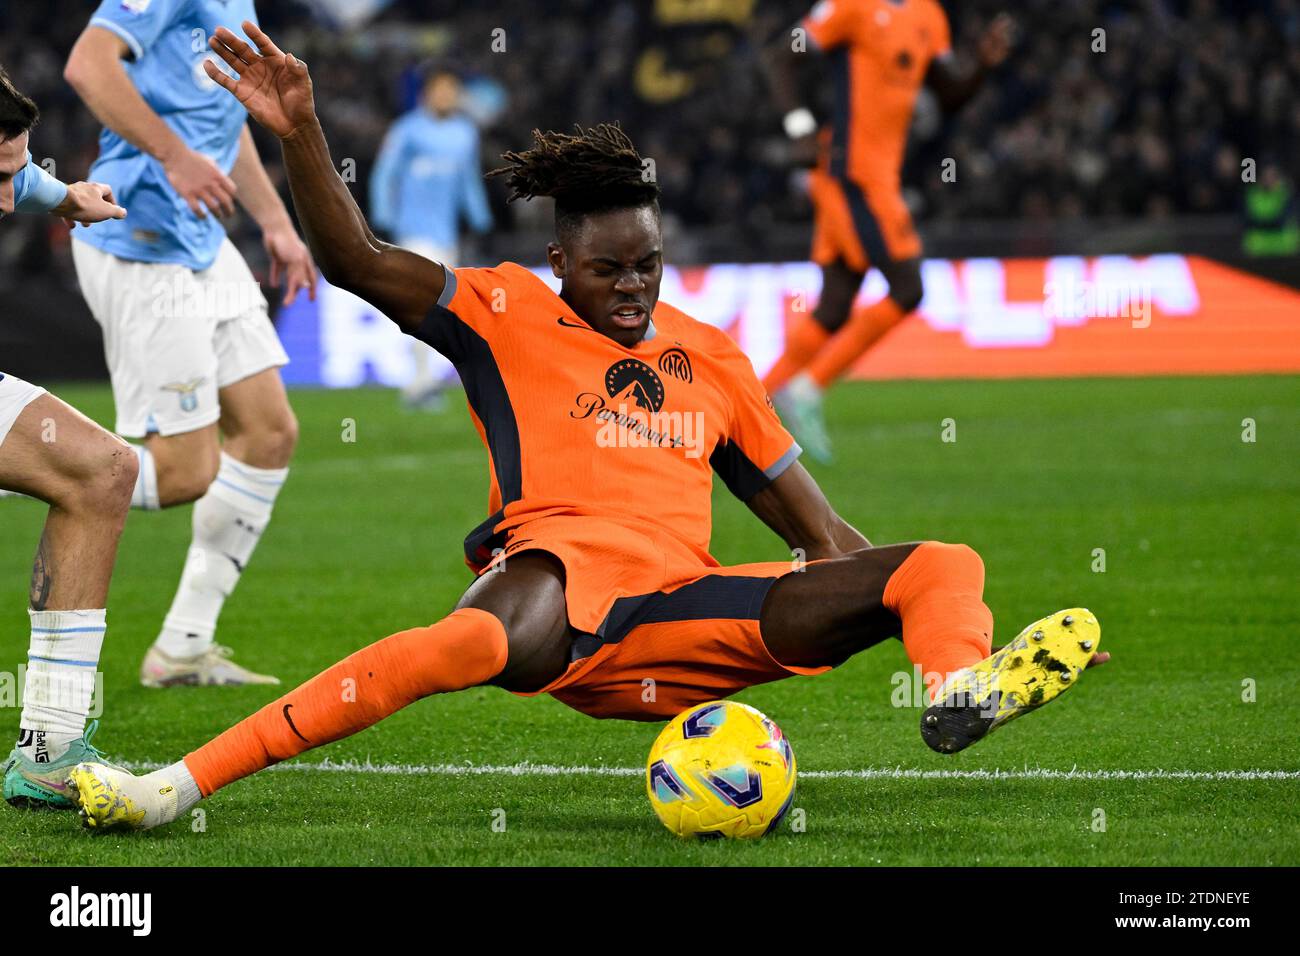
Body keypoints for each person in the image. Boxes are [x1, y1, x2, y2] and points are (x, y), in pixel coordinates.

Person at [68, 24, 1106, 831]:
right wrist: (301, 132)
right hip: (553, 592)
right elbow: (357, 261)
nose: (630, 287)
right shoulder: (502, 309)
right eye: (607, 268)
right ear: (561, 259)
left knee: (937, 563)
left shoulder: (712, 357)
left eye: (645, 264)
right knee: (471, 633)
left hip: (680, 615)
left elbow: (823, 539)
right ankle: (173, 784)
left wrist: (923, 615)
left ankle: (960, 685)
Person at [62, 1, 317, 687]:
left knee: (268, 433)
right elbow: (87, 64)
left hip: (202, 243)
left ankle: (181, 649)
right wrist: (173, 157)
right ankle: (27, 460)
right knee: (184, 472)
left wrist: (276, 223)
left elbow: (220, 120)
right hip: (141, 241)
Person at [763, 2, 1015, 462]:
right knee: (908, 285)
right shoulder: (850, 6)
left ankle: (752, 406)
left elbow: (949, 93)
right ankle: (805, 391)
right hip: (851, 174)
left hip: (876, 175)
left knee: (837, 303)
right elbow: (781, 56)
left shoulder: (930, 15)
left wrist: (981, 65)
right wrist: (798, 129)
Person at [0, 66, 135, 809]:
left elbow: (29, 185)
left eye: (12, 170)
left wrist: (69, 197)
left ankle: (47, 745)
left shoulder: (12, 176)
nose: (4, 196)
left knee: (101, 469)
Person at [370, 66, 493, 410]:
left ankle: (430, 380)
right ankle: (420, 384)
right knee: (424, 304)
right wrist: (384, 216)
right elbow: (385, 173)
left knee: (447, 309)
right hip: (413, 233)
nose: (446, 96)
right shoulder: (407, 131)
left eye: (452, 90)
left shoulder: (465, 133)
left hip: (447, 234)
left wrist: (480, 216)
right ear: (426, 93)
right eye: (440, 90)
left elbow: (468, 179)